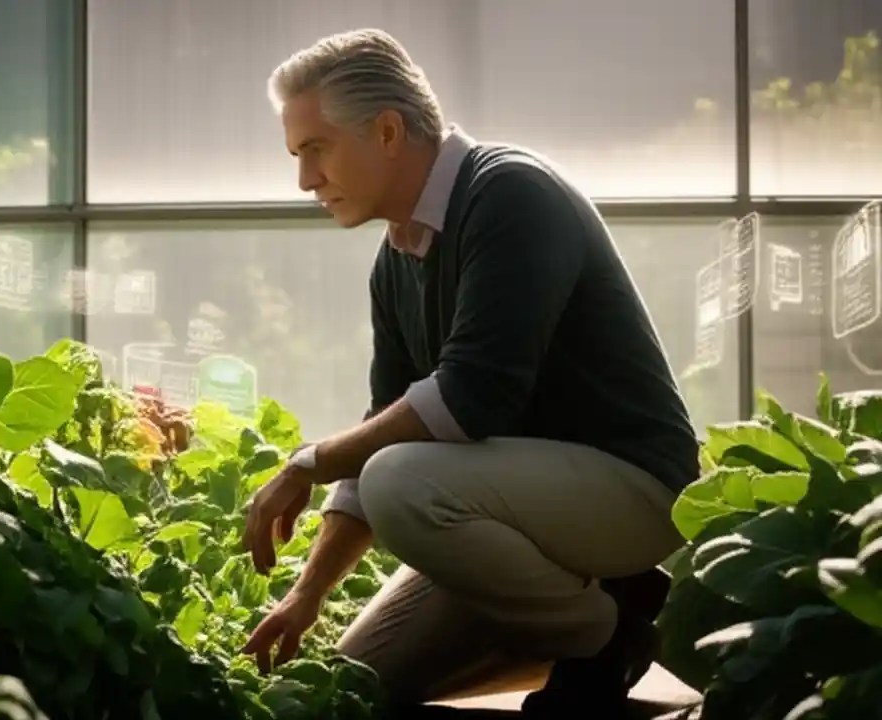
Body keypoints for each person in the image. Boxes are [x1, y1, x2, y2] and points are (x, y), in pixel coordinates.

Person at [239, 28, 700, 718]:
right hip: (519, 513)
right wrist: (307, 594)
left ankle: (608, 629)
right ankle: (572, 613)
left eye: (315, 150)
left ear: (388, 130)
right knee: (365, 679)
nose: (306, 180)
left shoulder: (510, 193)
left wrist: (308, 463)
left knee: (400, 476)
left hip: (633, 489)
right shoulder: (396, 260)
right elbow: (383, 424)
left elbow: (471, 399)